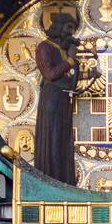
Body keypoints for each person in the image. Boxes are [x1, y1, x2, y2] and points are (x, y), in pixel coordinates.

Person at [33, 12, 79, 184]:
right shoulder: (44, 47)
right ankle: (50, 179)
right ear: (59, 27)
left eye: (73, 29)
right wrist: (70, 61)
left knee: (62, 141)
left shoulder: (64, 50)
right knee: (53, 138)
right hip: (52, 98)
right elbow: (51, 74)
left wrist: (91, 74)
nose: (71, 33)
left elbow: (69, 76)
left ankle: (64, 181)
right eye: (68, 28)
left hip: (63, 99)